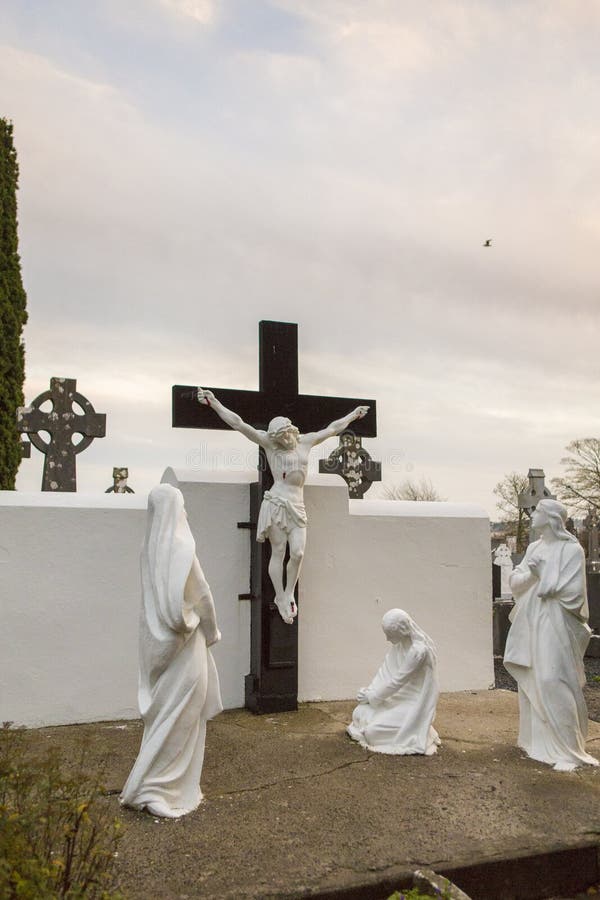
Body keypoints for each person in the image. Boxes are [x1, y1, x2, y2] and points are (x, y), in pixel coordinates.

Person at [197, 388, 369, 624]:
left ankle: (289, 593)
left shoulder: (305, 441)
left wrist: (352, 416)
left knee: (297, 552)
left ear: (291, 430)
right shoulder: (270, 444)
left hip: (298, 506)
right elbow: (239, 423)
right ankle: (281, 595)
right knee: (278, 551)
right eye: (279, 438)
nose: (284, 440)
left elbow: (332, 428)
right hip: (277, 503)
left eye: (286, 435)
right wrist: (214, 403)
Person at [120, 484, 222, 818]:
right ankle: (157, 788)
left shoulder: (149, 549)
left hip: (158, 648)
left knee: (166, 715)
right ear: (176, 509)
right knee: (181, 717)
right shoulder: (181, 546)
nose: (186, 513)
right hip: (186, 648)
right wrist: (212, 630)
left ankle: (160, 785)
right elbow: (202, 593)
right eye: (183, 507)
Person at [504, 498, 599, 772]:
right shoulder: (535, 547)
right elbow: (517, 584)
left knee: (553, 678)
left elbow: (570, 594)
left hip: (557, 621)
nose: (533, 515)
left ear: (552, 518)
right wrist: (534, 575)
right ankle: (536, 742)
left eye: (539, 512)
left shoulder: (571, 550)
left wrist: (541, 575)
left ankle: (569, 749)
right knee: (533, 676)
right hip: (533, 620)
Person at [347, 608, 441, 755]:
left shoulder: (418, 652)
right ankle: (379, 718)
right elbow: (384, 673)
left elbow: (397, 681)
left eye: (390, 635)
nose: (387, 639)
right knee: (359, 712)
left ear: (402, 630)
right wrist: (369, 692)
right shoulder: (399, 646)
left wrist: (371, 697)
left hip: (412, 704)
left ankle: (411, 728)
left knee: (372, 732)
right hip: (393, 698)